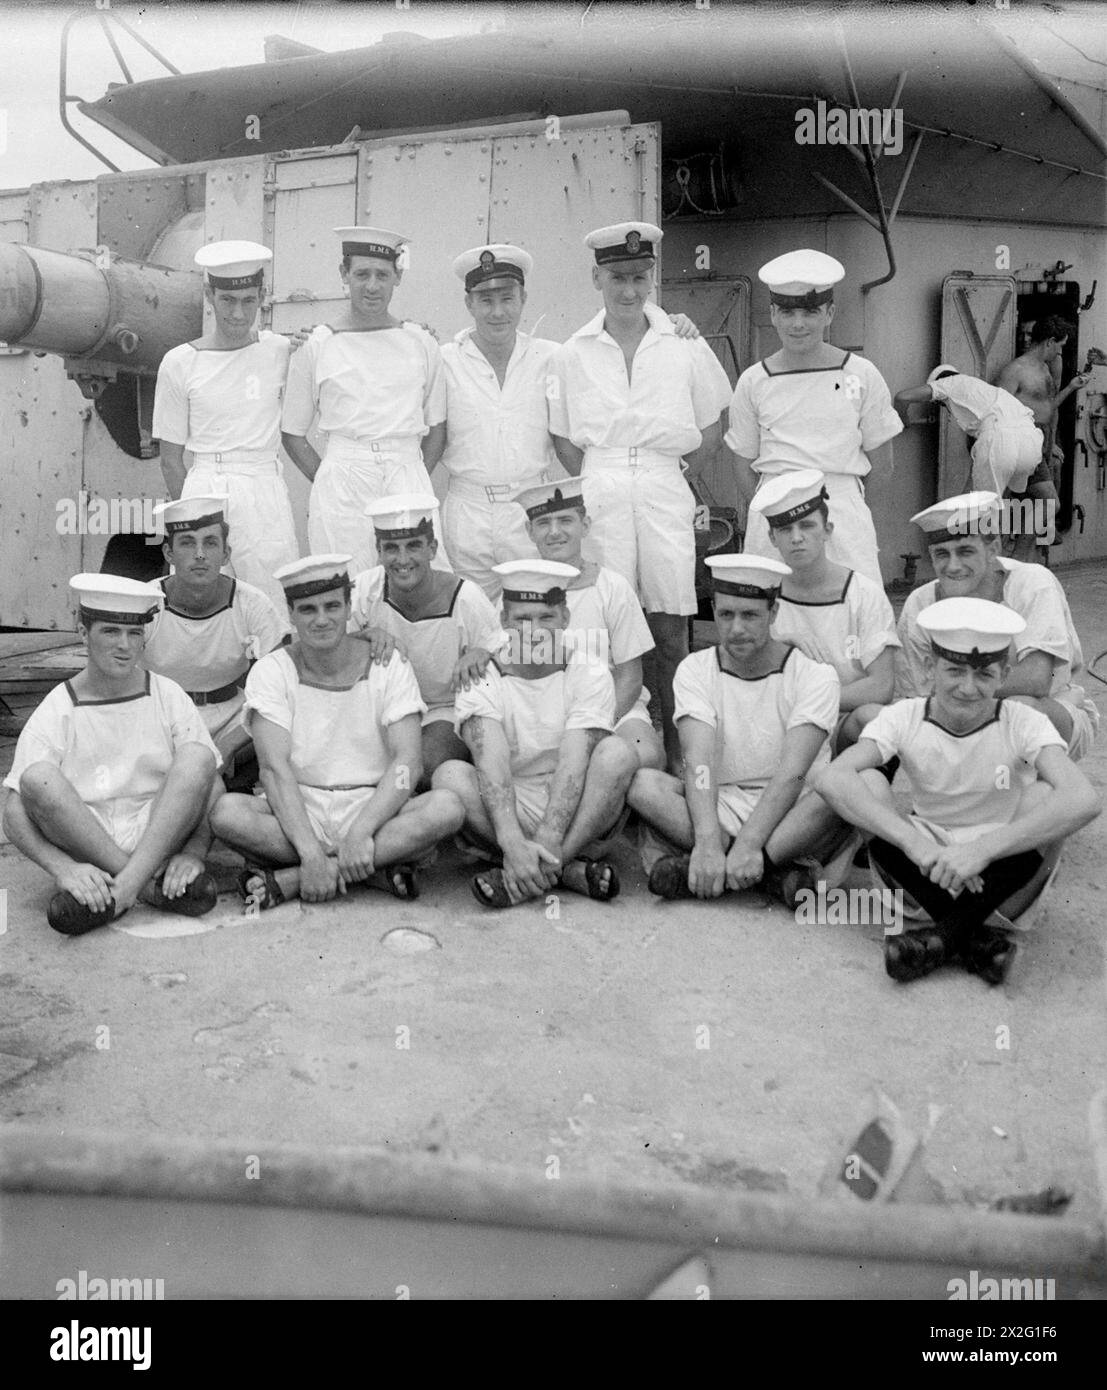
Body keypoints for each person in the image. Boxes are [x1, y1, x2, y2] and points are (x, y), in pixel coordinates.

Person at [814, 598, 1100, 985]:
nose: (968, 688)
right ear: (930, 668)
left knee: (1048, 794)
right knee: (866, 781)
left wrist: (982, 850)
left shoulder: (1024, 721)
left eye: (984, 675)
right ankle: (971, 939)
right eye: (954, 671)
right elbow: (832, 778)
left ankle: (942, 937)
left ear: (1004, 675)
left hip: (1003, 876)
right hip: (921, 870)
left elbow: (1083, 798)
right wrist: (915, 844)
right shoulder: (905, 715)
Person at [548, 222, 732, 771]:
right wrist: (602, 480)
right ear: (596, 277)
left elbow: (713, 424)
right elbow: (561, 436)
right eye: (617, 278)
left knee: (672, 624)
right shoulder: (572, 352)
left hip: (661, 482)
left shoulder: (684, 343)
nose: (629, 290)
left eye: (639, 277)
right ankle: (613, 750)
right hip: (601, 485)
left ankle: (681, 760)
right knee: (607, 623)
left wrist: (672, 475)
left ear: (651, 276)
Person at [209, 555, 465, 910]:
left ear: (349, 607)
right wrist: (310, 849)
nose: (322, 619)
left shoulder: (388, 663)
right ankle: (367, 868)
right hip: (301, 807)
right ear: (292, 614)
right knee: (226, 813)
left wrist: (361, 831)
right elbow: (272, 768)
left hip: (372, 807)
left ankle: (298, 877)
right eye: (308, 609)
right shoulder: (272, 670)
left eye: (332, 606)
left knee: (447, 807)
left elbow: (408, 763)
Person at [627, 555, 855, 904]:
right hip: (722, 803)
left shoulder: (814, 675)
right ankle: (771, 874)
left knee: (842, 790)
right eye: (726, 614)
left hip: (793, 809)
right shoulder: (695, 669)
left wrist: (750, 844)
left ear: (774, 613)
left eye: (750, 615)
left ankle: (735, 865)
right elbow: (698, 762)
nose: (736, 629)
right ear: (714, 610)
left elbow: (793, 774)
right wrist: (706, 839)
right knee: (643, 784)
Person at [2, 576, 221, 935]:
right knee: (36, 778)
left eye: (134, 634)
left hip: (158, 831)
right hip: (88, 838)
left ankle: (117, 893)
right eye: (110, 632)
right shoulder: (61, 705)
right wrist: (64, 869)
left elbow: (210, 784)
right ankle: (147, 888)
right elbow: (13, 813)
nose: (124, 646)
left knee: (198, 757)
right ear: (83, 633)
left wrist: (194, 853)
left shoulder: (166, 694)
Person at [432, 560, 639, 908]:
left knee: (618, 754)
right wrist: (512, 840)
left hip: (574, 803)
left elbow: (575, 763)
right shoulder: (481, 673)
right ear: (503, 621)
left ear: (566, 619)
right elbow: (490, 762)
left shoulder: (589, 670)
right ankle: (558, 868)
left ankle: (536, 867)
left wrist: (551, 836)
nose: (534, 631)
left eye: (546, 618)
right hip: (509, 800)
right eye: (522, 619)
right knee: (449, 775)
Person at [726, 249, 902, 586]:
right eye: (788, 312)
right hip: (775, 517)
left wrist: (848, 510)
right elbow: (742, 465)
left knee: (851, 615)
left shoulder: (860, 374)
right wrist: (775, 514)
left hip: (841, 514)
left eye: (810, 312)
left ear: (830, 312)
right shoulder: (754, 381)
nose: (798, 324)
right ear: (773, 314)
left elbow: (883, 466)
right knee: (774, 619)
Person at [279, 227, 448, 575]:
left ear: (397, 277)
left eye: (382, 275)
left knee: (416, 584)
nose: (372, 286)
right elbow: (292, 432)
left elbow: (438, 428)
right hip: (343, 481)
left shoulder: (421, 343)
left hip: (405, 472)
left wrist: (413, 476)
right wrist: (329, 477)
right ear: (344, 275)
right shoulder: (317, 344)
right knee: (350, 586)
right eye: (361, 274)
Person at [153, 241, 300, 610]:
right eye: (228, 300)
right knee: (210, 607)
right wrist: (192, 523)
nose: (238, 313)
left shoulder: (280, 350)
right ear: (209, 295)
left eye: (248, 301)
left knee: (273, 605)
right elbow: (170, 459)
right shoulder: (179, 362)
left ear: (261, 297)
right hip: (205, 486)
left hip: (262, 490)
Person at [897, 491, 1099, 760]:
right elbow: (915, 694)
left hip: (1051, 709)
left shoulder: (1031, 583)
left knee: (1016, 710)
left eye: (965, 551)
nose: (953, 566)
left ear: (993, 548)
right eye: (941, 554)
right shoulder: (920, 604)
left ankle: (1030, 790)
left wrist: (953, 689)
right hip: (955, 718)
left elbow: (1036, 680)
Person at [349, 495, 503, 787]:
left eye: (414, 546)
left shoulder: (465, 596)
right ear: (378, 551)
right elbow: (332, 648)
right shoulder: (364, 589)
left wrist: (483, 653)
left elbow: (502, 653)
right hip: (383, 710)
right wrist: (363, 636)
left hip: (442, 709)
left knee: (422, 768)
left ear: (432, 548)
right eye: (391, 548)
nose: (403, 559)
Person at [513, 477, 664, 770]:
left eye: (565, 520)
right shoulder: (517, 592)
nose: (555, 532)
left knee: (644, 756)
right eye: (543, 523)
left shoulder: (613, 587)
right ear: (529, 531)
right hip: (544, 712)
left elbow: (630, 677)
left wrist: (596, 727)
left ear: (585, 525)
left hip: (613, 708)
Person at [434, 243, 556, 599]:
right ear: (469, 303)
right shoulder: (444, 361)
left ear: (523, 298)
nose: (498, 312)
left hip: (529, 509)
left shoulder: (550, 358)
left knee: (533, 620)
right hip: (468, 511)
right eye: (486, 300)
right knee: (471, 621)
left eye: (507, 299)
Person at [747, 469, 899, 750]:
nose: (796, 538)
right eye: (785, 529)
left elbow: (881, 685)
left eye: (807, 526)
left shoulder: (863, 594)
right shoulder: (760, 597)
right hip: (779, 724)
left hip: (842, 720)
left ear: (827, 530)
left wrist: (817, 700)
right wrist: (778, 645)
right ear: (771, 538)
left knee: (875, 718)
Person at [142, 497, 290, 785]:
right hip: (162, 719)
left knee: (280, 732)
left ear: (225, 554)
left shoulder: (252, 604)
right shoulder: (146, 602)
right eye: (187, 543)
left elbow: (283, 686)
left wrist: (228, 746)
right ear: (168, 553)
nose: (200, 554)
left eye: (210, 543)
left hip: (231, 720)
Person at [996, 316, 1090, 562]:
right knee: (1000, 507)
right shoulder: (1014, 371)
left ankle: (1018, 560)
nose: (1061, 351)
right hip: (1014, 445)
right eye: (1060, 345)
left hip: (1036, 445)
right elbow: (995, 412)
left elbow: (1048, 409)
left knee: (1050, 503)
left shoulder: (1046, 369)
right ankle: (1007, 560)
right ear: (1049, 342)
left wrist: (1071, 388)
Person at [894, 364, 1043, 495]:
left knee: (978, 513)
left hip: (1001, 441)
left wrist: (903, 420)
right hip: (1031, 442)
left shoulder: (947, 384)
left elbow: (902, 397)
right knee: (989, 507)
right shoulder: (984, 391)